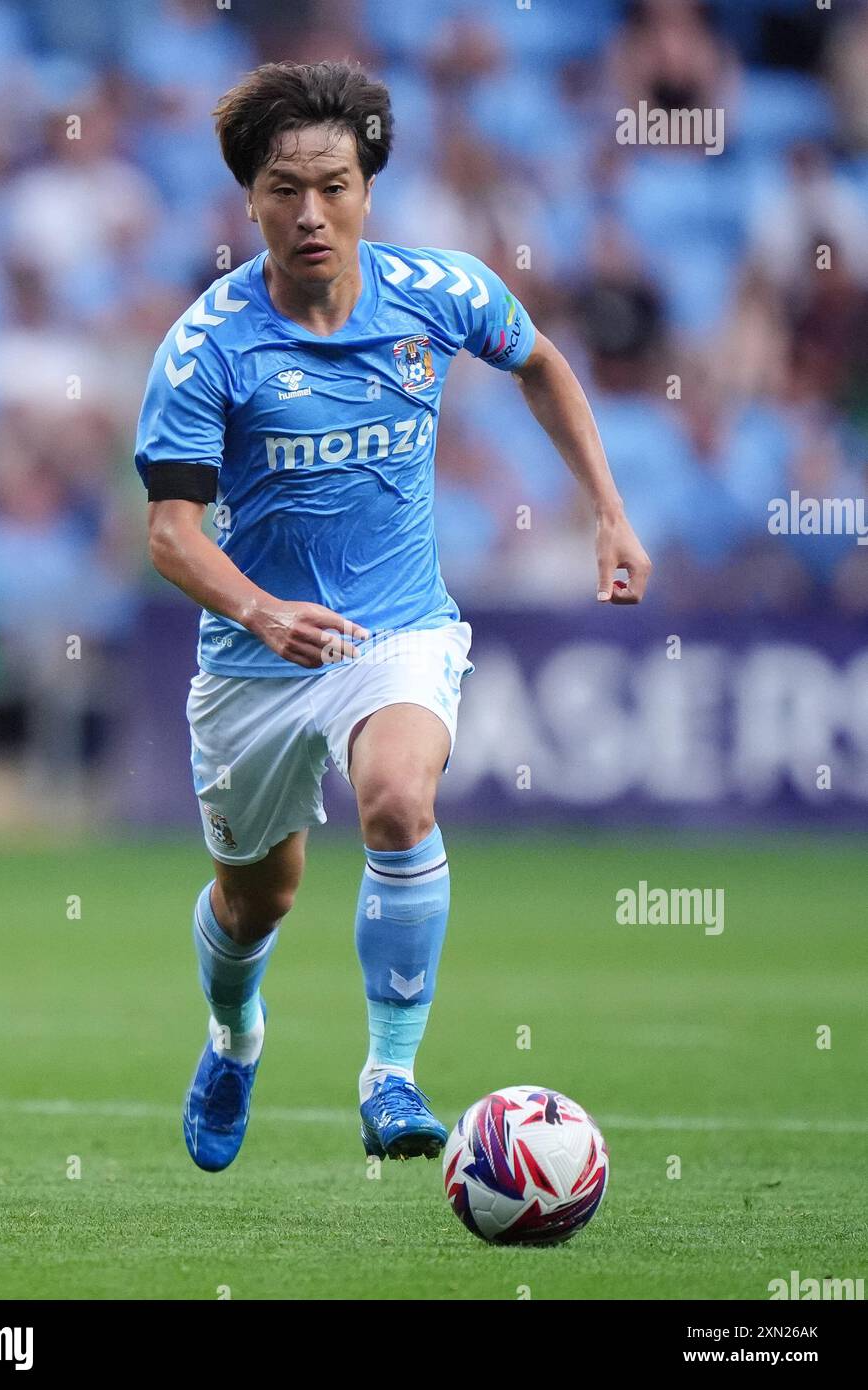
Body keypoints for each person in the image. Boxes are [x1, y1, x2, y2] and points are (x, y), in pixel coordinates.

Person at [134, 60, 651, 1172]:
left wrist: (607, 513)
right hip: (254, 654)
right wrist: (262, 610)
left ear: (368, 185)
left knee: (397, 802)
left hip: (396, 627)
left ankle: (392, 1075)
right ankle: (233, 1037)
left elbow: (542, 364)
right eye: (284, 189)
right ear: (249, 201)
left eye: (333, 183)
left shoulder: (442, 291)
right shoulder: (205, 346)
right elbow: (171, 532)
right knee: (253, 899)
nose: (310, 212)